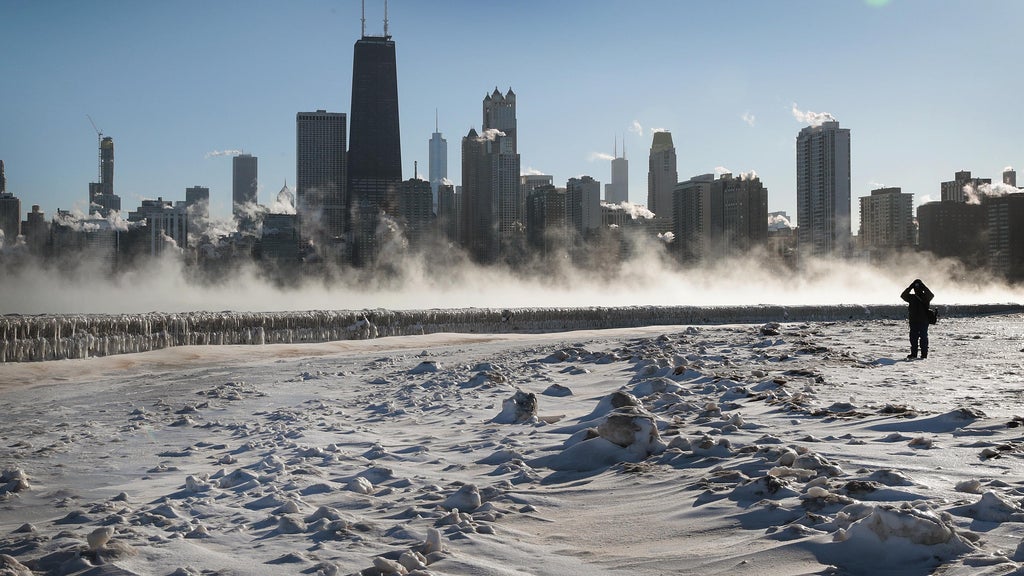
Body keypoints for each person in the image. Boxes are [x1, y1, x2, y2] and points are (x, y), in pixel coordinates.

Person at [900, 278, 934, 359]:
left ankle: (920, 354)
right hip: (919, 321)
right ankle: (920, 354)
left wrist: (911, 287)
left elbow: (903, 295)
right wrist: (919, 286)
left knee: (917, 338)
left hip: (918, 321)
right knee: (918, 338)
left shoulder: (921, 297)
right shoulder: (923, 297)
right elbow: (903, 296)